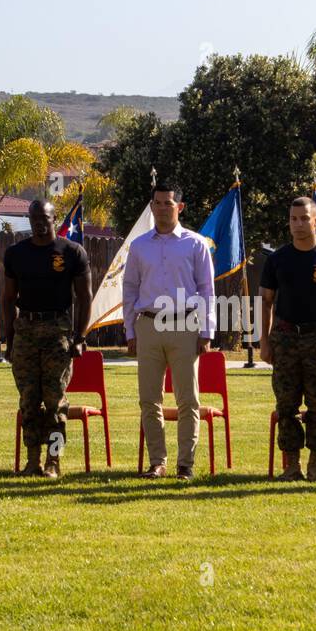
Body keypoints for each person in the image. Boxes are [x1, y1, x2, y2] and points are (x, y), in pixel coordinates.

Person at [122, 182, 216, 480]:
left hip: (186, 324)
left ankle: (185, 464)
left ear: (180, 207)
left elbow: (207, 289)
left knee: (188, 399)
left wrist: (207, 329)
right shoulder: (138, 246)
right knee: (150, 399)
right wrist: (129, 331)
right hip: (148, 324)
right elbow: (130, 289)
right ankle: (157, 462)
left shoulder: (195, 243)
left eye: (168, 203)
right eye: (158, 203)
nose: (163, 208)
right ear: (152, 206)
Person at [259, 197, 316, 481]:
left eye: (304, 218)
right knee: (286, 405)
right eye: (293, 219)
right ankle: (292, 465)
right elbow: (266, 302)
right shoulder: (277, 260)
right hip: (285, 337)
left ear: (315, 221)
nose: (298, 224)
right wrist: (264, 341)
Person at [2, 199, 92, 478]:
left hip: (58, 332)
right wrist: (10, 338)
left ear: (55, 219)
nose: (39, 222)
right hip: (26, 331)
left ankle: (54, 460)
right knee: (28, 400)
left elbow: (84, 297)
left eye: (45, 217)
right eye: (34, 218)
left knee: (55, 401)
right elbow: (7, 298)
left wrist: (80, 336)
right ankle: (33, 461)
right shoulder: (16, 253)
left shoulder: (71, 252)